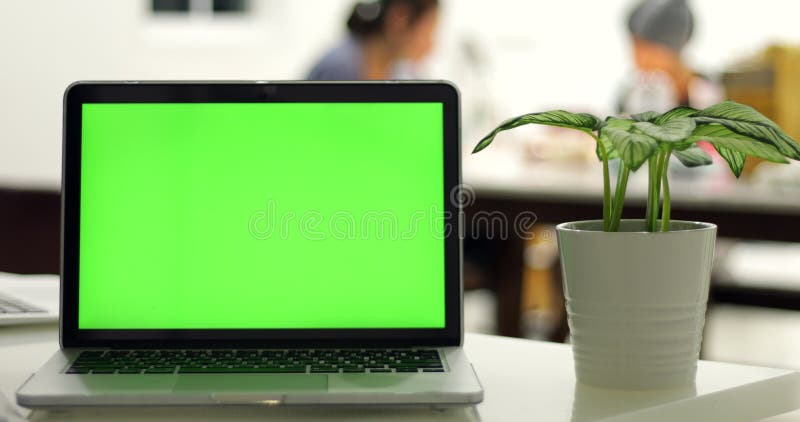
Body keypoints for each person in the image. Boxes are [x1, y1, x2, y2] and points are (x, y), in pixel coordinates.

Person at [619, 0, 721, 114]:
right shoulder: (631, 95)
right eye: (635, 47)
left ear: (673, 49)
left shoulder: (711, 93)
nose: (638, 58)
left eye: (646, 49)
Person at [306, 0, 439, 80]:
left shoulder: (399, 72)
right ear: (400, 18)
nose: (431, 45)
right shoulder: (341, 65)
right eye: (429, 31)